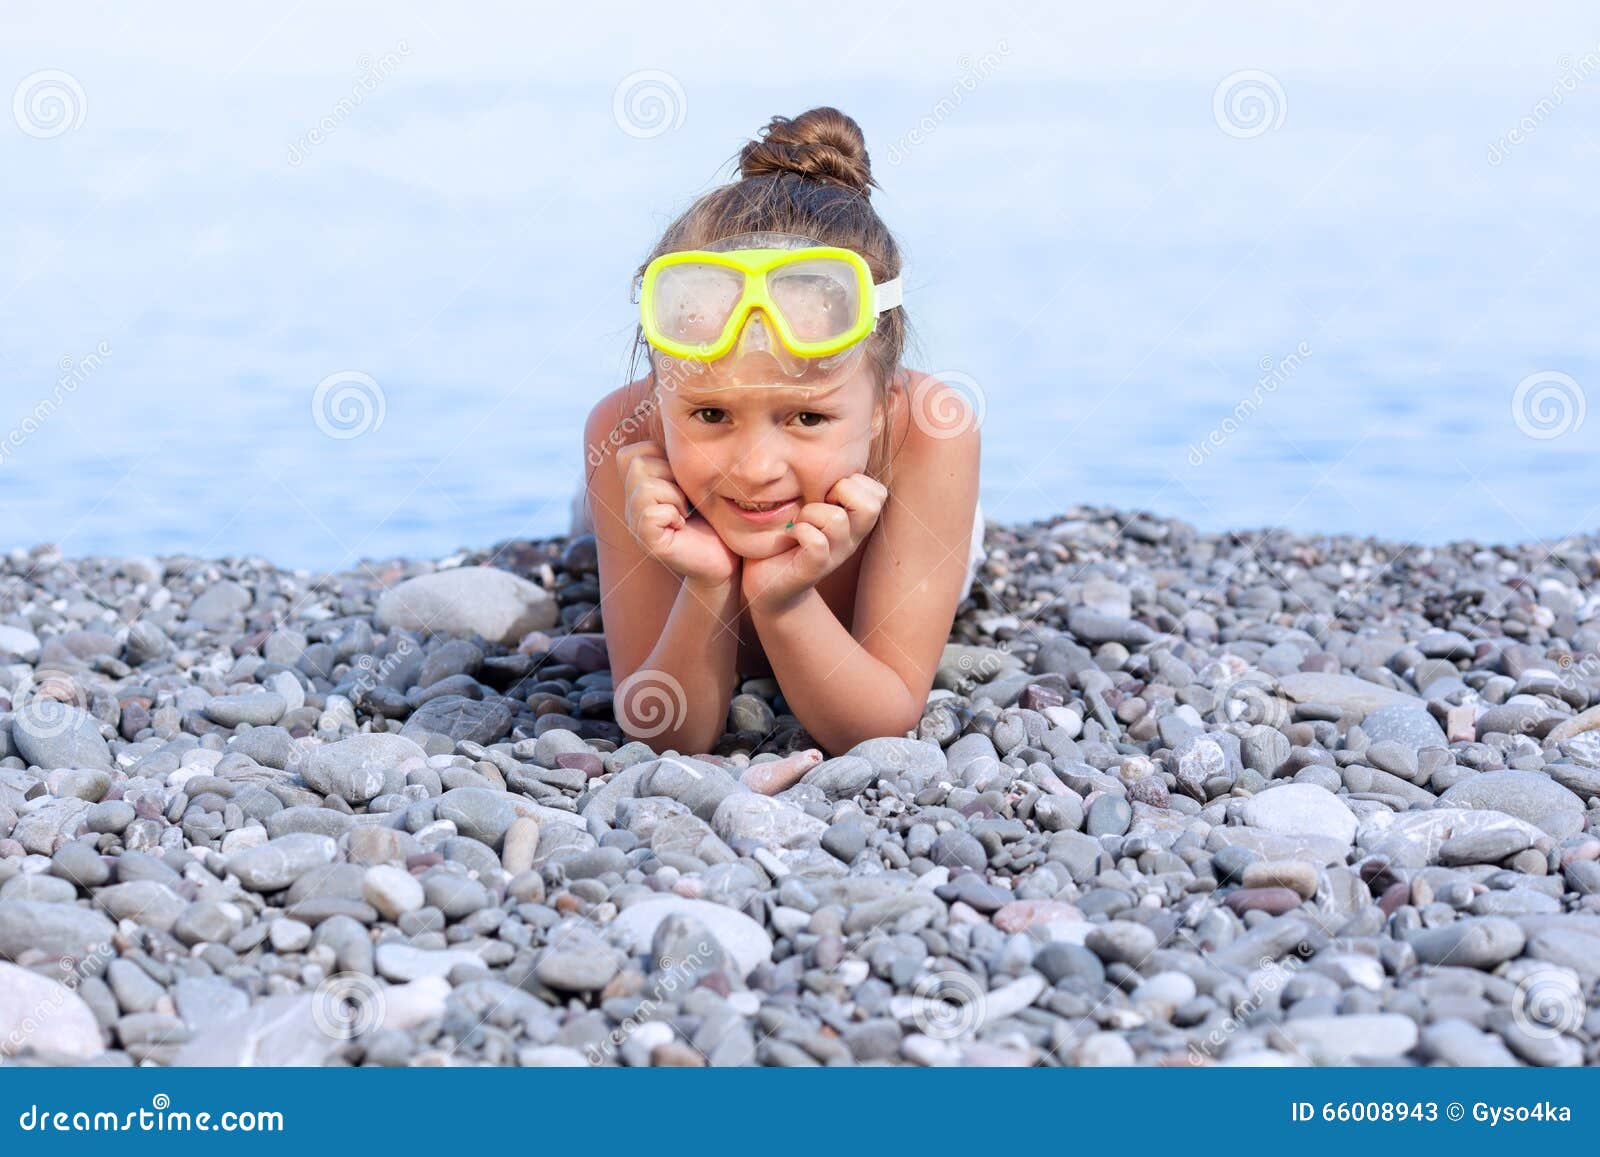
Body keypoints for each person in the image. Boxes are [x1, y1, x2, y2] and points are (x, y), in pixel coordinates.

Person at [581, 106, 982, 757]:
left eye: (807, 417)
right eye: (712, 413)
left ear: (882, 405)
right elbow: (664, 732)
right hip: (673, 480)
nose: (756, 467)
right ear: (657, 393)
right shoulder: (623, 434)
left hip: (914, 490)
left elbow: (878, 726)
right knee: (595, 510)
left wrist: (781, 600)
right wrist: (707, 582)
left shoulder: (930, 434)